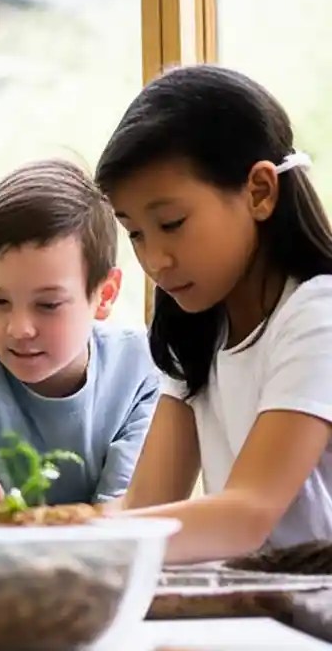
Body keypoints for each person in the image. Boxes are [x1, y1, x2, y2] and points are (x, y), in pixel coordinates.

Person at [98, 64, 332, 564]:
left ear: (260, 192)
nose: (155, 260)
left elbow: (246, 515)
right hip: (260, 604)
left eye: (172, 223)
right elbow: (146, 504)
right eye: (135, 233)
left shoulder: (317, 316)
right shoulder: (198, 327)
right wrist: (23, 528)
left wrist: (68, 538)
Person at [0, 159, 157, 504]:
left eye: (47, 305)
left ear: (104, 295)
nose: (19, 329)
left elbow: (122, 511)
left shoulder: (139, 369)